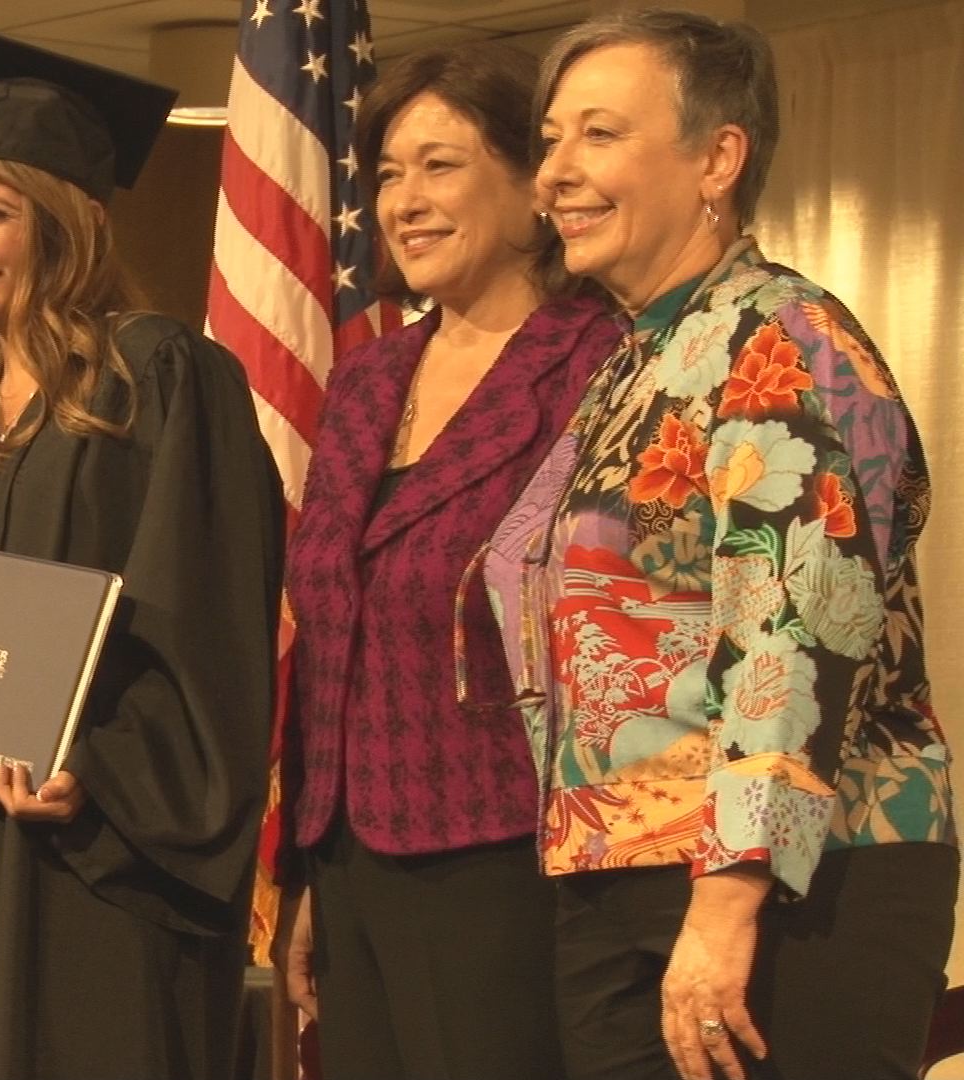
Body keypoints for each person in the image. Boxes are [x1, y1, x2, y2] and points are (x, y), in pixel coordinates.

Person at [483, 9, 957, 1079]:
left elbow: (790, 629)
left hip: (794, 880)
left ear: (718, 158)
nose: (553, 172)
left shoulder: (782, 341)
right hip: (620, 873)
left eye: (598, 135)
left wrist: (727, 900)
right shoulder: (638, 355)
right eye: (552, 139)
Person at [0, 26, 283, 1080]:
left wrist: (103, 771)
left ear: (69, 225)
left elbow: (206, 631)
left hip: (93, 874)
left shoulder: (160, 381)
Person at [275, 42, 622, 1080]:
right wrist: (302, 871)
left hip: (509, 860)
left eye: (440, 166)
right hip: (348, 859)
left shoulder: (600, 367)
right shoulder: (370, 378)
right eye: (386, 174)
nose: (404, 201)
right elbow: (330, 637)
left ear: (533, 188)